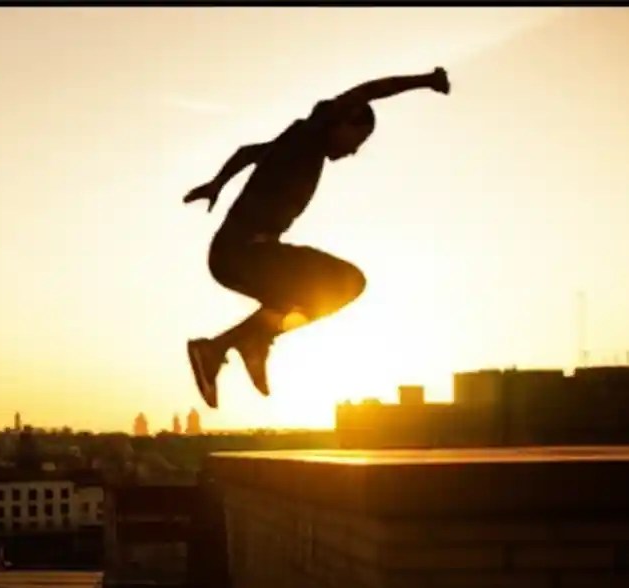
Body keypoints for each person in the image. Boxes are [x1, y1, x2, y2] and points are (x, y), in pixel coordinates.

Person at [183, 67, 451, 408]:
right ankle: (221, 348)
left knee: (302, 298)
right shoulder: (308, 136)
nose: (353, 152)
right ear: (342, 122)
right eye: (356, 141)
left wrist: (217, 184)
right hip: (244, 254)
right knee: (346, 283)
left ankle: (251, 341)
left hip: (239, 256)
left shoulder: (293, 144)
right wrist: (426, 80)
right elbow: (366, 91)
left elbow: (248, 151)